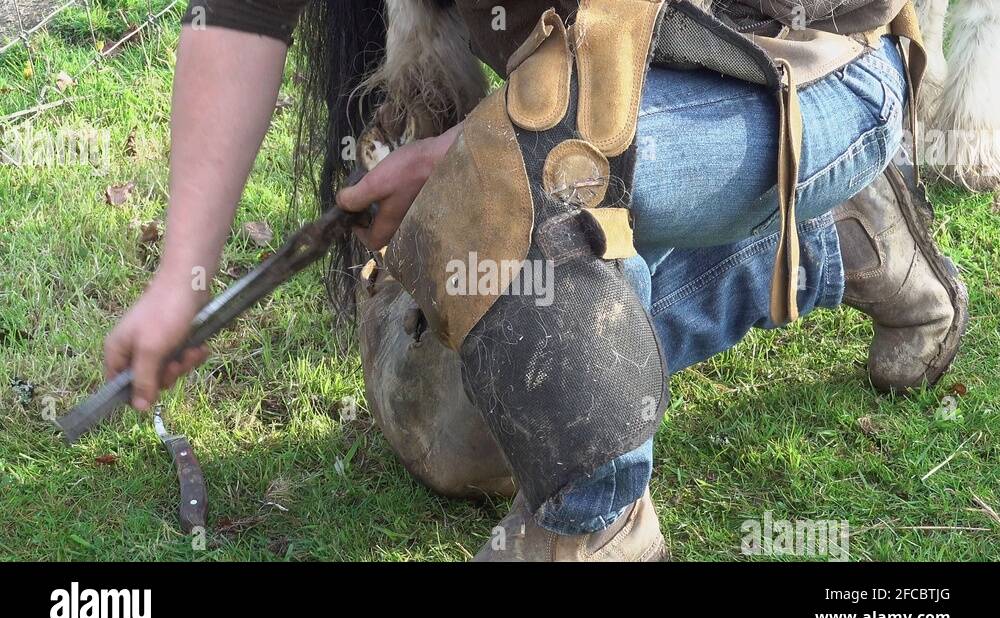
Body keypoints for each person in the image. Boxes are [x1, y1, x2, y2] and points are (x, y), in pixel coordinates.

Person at [103, 0, 967, 561]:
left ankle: (596, 527)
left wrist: (458, 158)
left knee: (507, 182)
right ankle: (832, 243)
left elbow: (606, 58)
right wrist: (182, 278)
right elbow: (240, 15)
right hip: (565, 115)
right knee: (452, 439)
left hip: (799, 79)